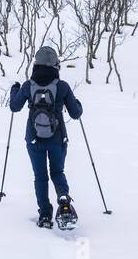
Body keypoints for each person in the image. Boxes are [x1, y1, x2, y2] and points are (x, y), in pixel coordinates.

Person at [9, 46, 83, 228]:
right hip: (57, 139)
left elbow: (14, 107)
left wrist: (14, 90)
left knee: (40, 176)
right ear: (55, 65)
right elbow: (76, 113)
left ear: (36, 64)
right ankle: (63, 198)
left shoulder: (28, 86)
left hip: (34, 139)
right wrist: (77, 103)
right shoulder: (62, 86)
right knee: (57, 172)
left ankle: (44, 215)